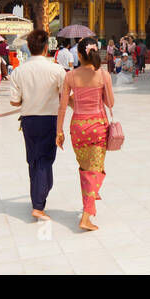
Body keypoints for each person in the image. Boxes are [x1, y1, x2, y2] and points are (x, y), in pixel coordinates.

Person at [57, 37, 115, 232]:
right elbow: (110, 103)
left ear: (79, 55)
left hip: (78, 128)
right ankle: (86, 216)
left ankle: (89, 204)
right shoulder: (103, 75)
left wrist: (59, 131)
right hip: (98, 126)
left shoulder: (70, 77)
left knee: (85, 169)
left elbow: (63, 107)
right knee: (94, 170)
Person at [9, 29, 66, 221]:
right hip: (49, 119)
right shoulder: (57, 70)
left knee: (33, 159)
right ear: (45, 48)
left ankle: (37, 197)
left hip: (29, 120)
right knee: (45, 160)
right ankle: (38, 204)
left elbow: (14, 102)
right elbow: (64, 96)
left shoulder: (18, 71)